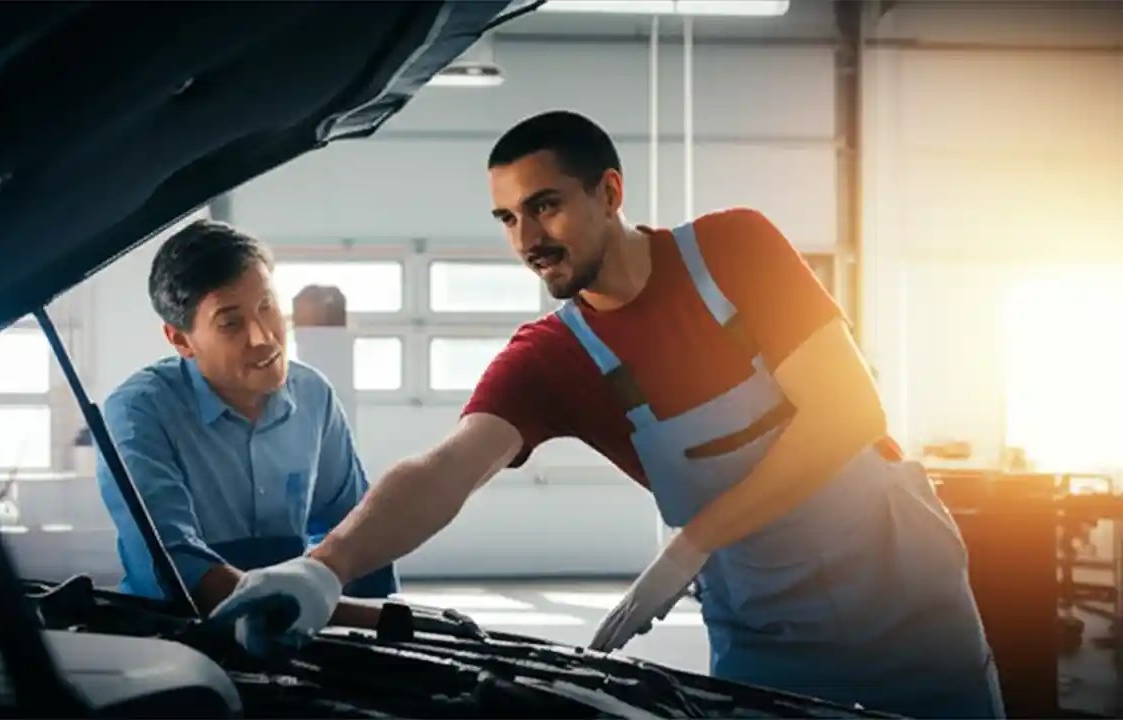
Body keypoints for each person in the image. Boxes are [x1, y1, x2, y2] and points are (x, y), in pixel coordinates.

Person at [207, 111, 1004, 718]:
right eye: (509, 219)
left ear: (610, 192)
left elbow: (846, 412)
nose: (527, 239)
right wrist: (326, 566)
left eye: (545, 207)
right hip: (773, 637)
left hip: (909, 600)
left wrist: (694, 540)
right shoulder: (553, 358)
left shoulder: (736, 251)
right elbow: (448, 469)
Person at [95, 219, 397, 640]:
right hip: (176, 638)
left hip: (300, 629)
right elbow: (176, 565)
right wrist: (359, 617)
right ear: (180, 340)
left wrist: (389, 627)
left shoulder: (313, 394)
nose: (263, 338)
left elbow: (352, 529)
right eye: (230, 323)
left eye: (267, 307)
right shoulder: (138, 411)